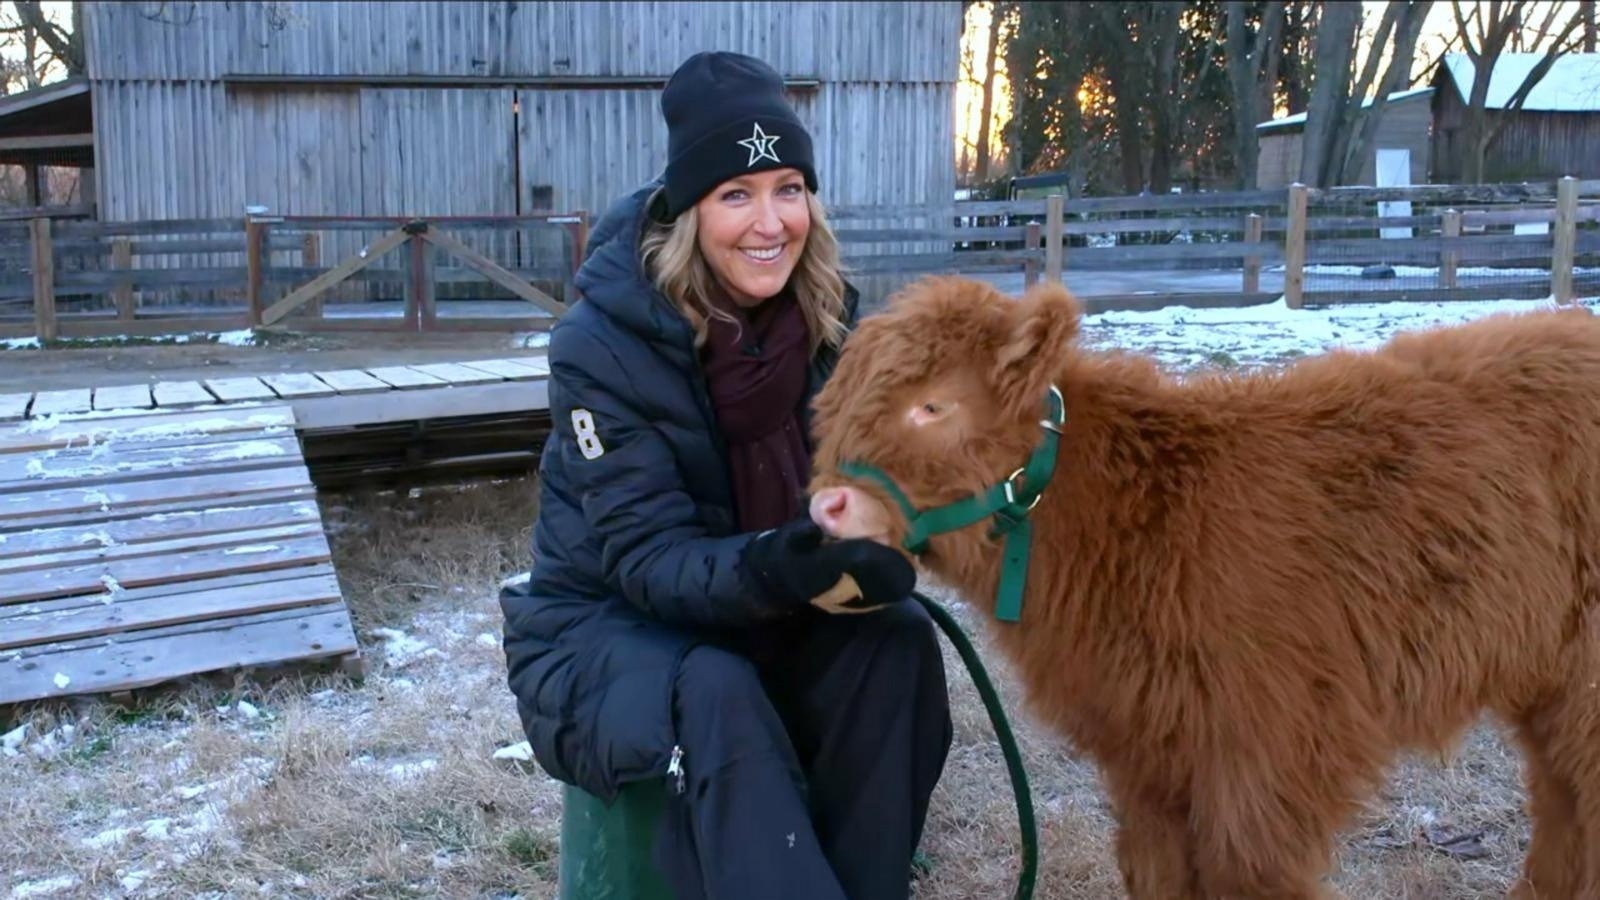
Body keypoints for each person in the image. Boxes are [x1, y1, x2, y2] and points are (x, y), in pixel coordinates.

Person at [499, 51, 954, 900]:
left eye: (789, 187)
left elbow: (867, 482)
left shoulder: (828, 321)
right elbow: (647, 560)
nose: (769, 221)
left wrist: (888, 531)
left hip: (757, 611)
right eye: (736, 194)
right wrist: (784, 562)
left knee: (895, 644)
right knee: (715, 689)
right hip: (603, 628)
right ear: (689, 211)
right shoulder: (603, 345)